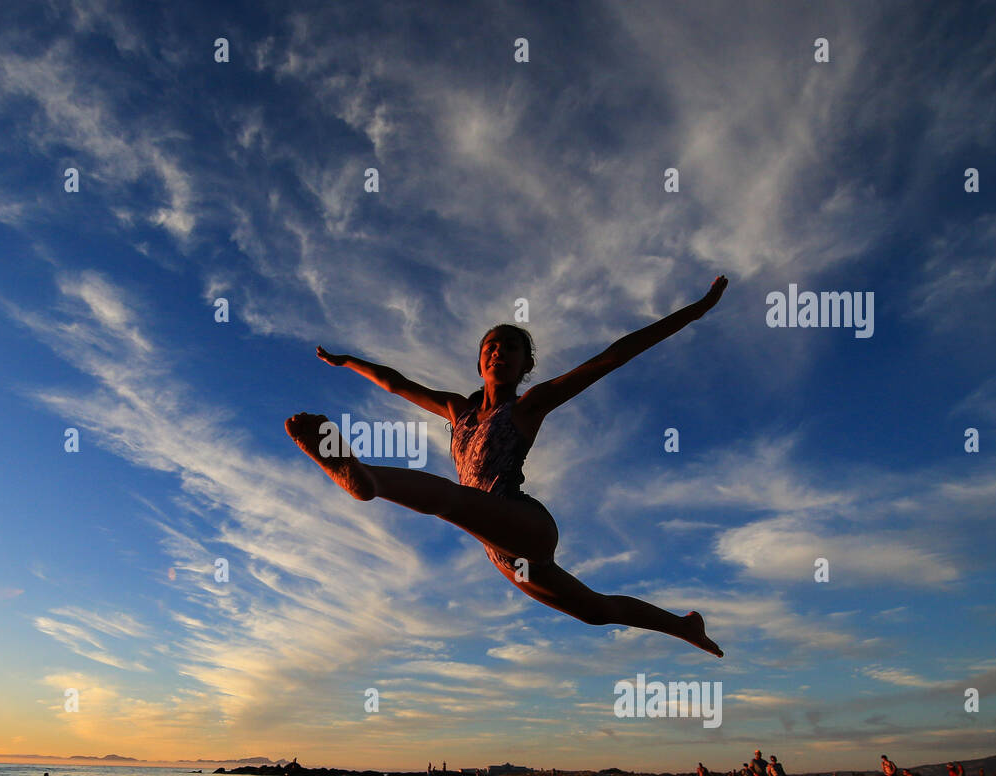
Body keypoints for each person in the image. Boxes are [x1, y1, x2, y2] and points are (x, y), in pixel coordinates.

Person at [285, 277, 730, 656]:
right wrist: (346, 362)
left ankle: (366, 479)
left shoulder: (529, 406)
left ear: (525, 366)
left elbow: (612, 356)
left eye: (510, 348)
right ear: (480, 362)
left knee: (450, 500)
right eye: (491, 347)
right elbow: (395, 383)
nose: (499, 352)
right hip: (501, 552)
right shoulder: (456, 409)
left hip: (524, 523)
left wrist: (694, 311)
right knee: (597, 612)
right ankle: (683, 627)